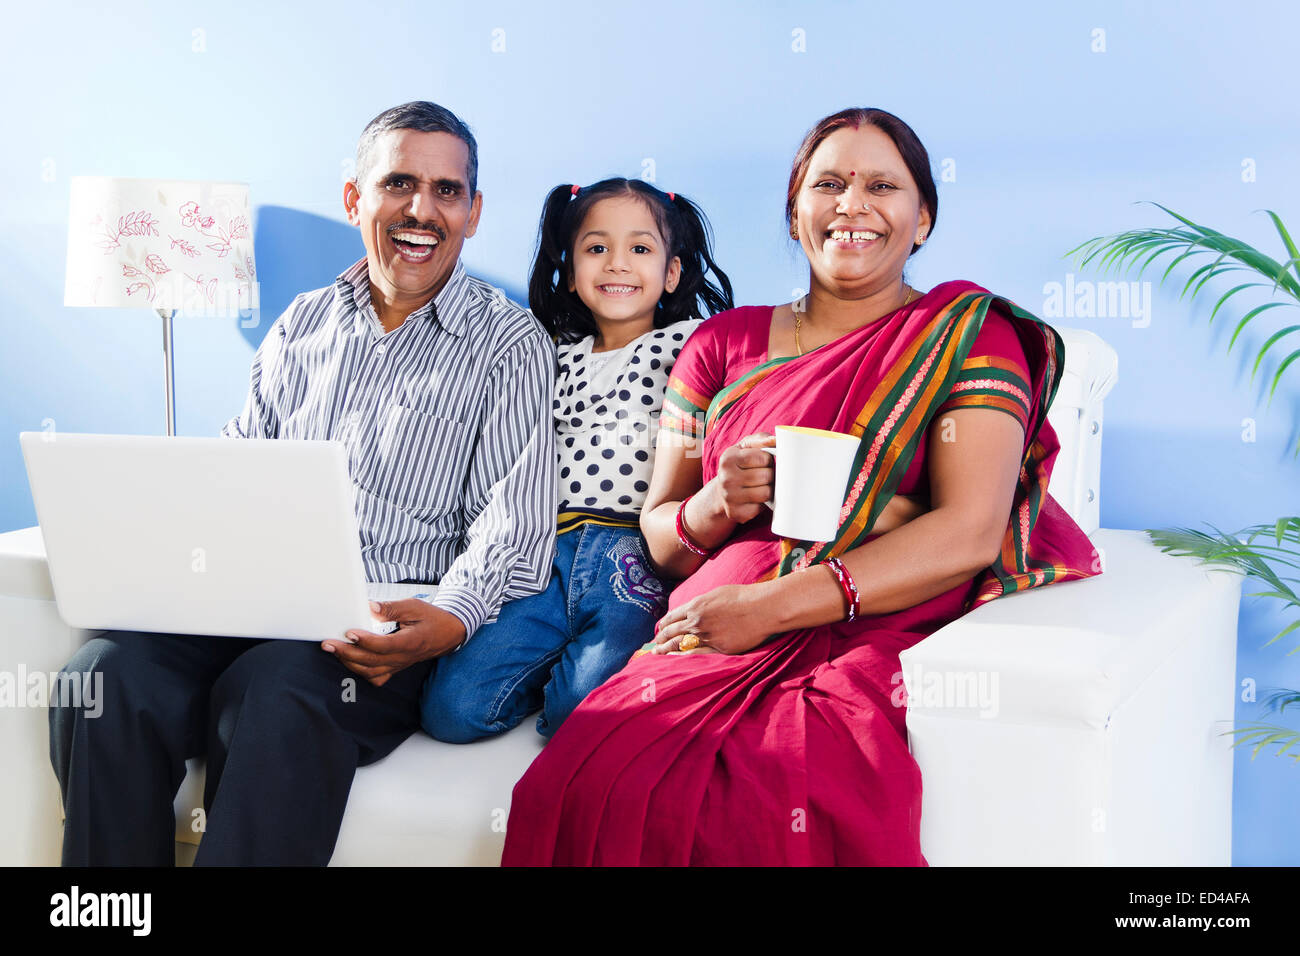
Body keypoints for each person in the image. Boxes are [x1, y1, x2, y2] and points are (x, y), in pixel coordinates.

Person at [501, 107, 1102, 866]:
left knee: (777, 794)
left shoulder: (969, 334)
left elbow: (970, 529)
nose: (852, 204)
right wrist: (716, 505)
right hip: (705, 627)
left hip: (858, 621)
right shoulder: (722, 343)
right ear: (795, 214)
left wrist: (773, 605)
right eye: (829, 184)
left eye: (881, 185)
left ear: (922, 220)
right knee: (577, 783)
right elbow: (659, 534)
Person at [48, 101, 558, 866]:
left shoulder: (510, 342)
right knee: (103, 677)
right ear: (355, 199)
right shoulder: (301, 325)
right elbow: (236, 469)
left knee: (275, 690)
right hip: (252, 602)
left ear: (474, 211)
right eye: (399, 183)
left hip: (376, 630)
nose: (423, 210)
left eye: (447, 191)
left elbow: (512, 525)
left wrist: (449, 620)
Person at [420, 179, 735, 740]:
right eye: (596, 248)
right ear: (569, 270)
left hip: (630, 554)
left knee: (580, 715)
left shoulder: (692, 344)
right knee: (452, 711)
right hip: (544, 551)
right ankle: (544, 666)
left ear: (672, 274)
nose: (617, 264)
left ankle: (586, 682)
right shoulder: (549, 355)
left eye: (640, 248)